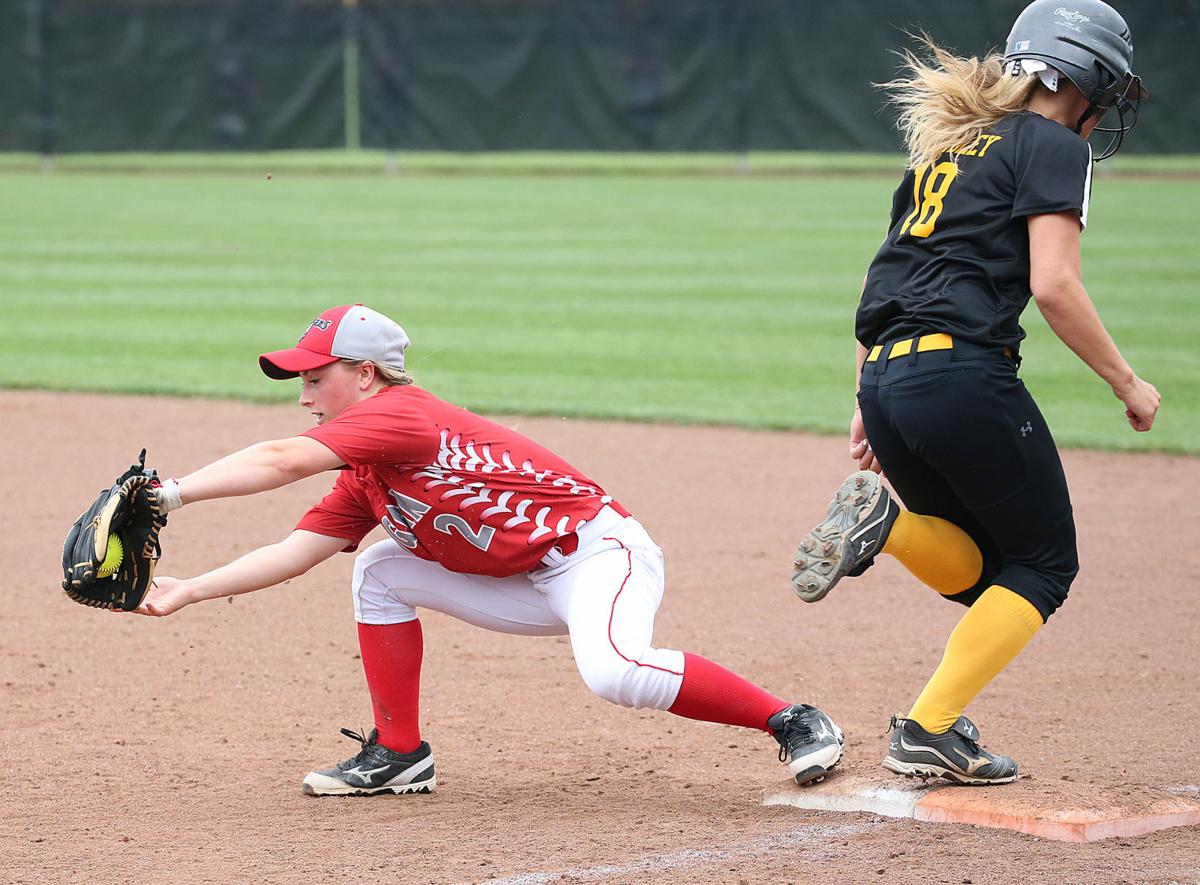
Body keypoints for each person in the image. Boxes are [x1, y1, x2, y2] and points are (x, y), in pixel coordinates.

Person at [132, 303, 844, 795]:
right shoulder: (368, 475)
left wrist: (173, 492)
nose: (304, 393)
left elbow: (284, 458)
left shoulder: (403, 415)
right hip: (522, 580)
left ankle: (792, 718)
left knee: (614, 670)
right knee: (379, 568)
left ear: (367, 376)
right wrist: (188, 586)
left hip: (597, 554)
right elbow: (295, 550)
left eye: (317, 376)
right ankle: (400, 753)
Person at [789, 0, 1159, 785]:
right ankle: (925, 728)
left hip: (891, 375)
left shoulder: (947, 147)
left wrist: (866, 397)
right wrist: (1128, 382)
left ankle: (888, 527)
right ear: (1088, 76)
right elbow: (1053, 285)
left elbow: (884, 276)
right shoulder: (1054, 145)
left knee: (990, 574)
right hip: (961, 373)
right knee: (1045, 566)